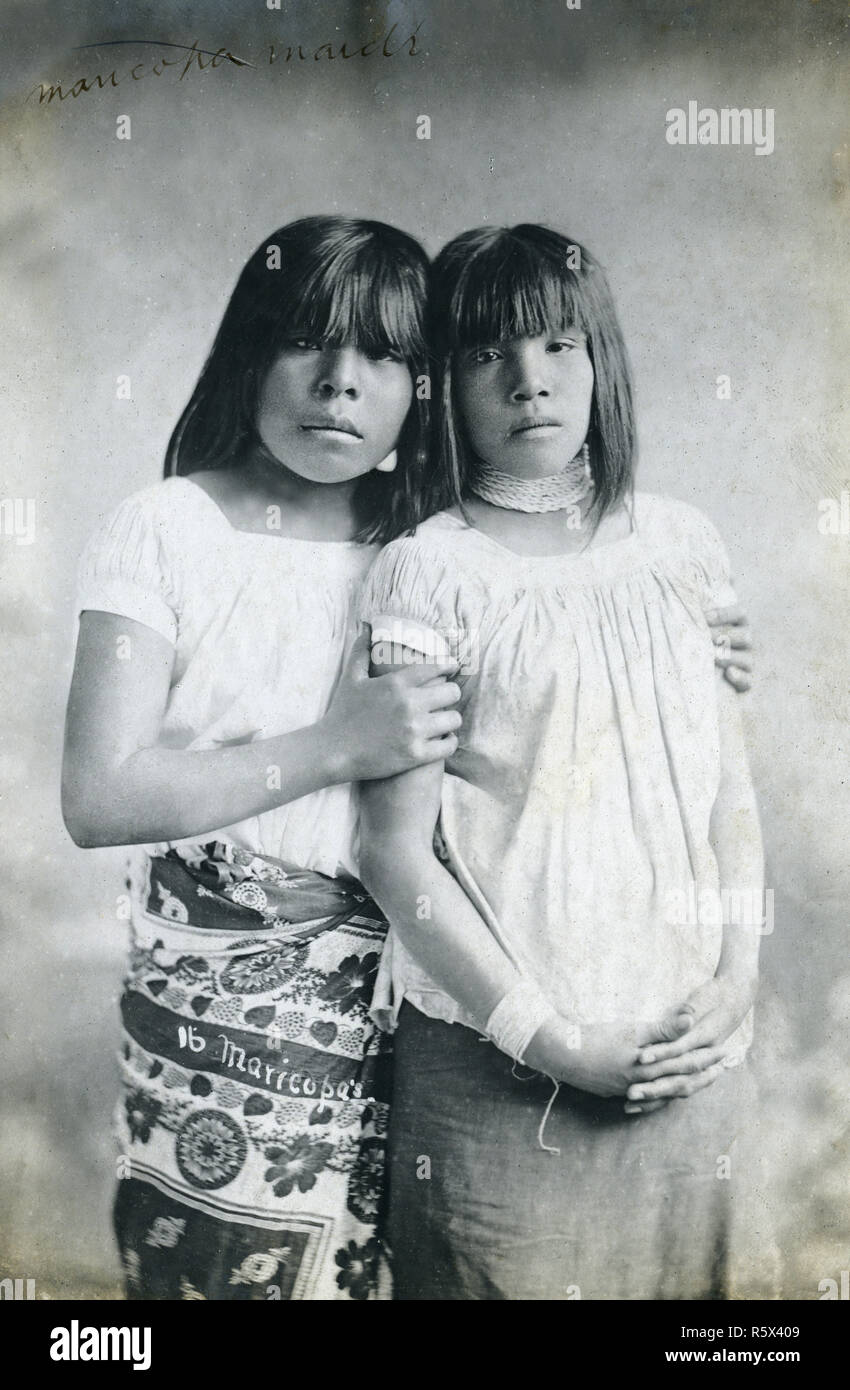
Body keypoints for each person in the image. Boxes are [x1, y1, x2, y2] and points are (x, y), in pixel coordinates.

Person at [358, 223, 767, 1300]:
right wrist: (553, 1042)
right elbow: (394, 856)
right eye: (487, 354)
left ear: (601, 360)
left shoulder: (681, 544)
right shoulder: (429, 574)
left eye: (555, 346)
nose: (528, 381)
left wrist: (737, 978)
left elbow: (724, 794)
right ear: (444, 385)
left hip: (690, 1062)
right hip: (502, 1081)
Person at [61, 216, 463, 1301]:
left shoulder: (436, 544)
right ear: (250, 351)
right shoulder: (167, 528)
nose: (340, 383)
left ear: (421, 389)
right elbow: (100, 795)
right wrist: (333, 743)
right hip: (219, 1012)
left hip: (414, 997)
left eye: (383, 356)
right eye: (307, 343)